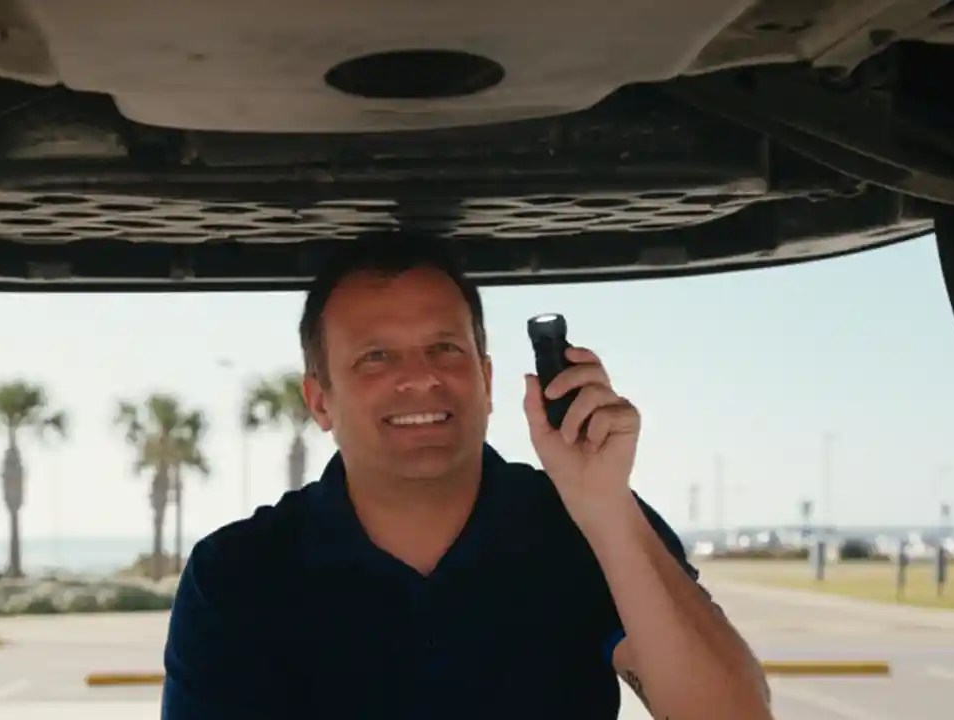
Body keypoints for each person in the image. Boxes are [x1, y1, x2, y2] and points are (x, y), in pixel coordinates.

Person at [161, 237, 771, 720]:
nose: (421, 377)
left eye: (446, 349)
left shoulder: (584, 526)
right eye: (376, 356)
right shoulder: (237, 574)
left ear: (485, 379)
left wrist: (605, 506)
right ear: (321, 401)